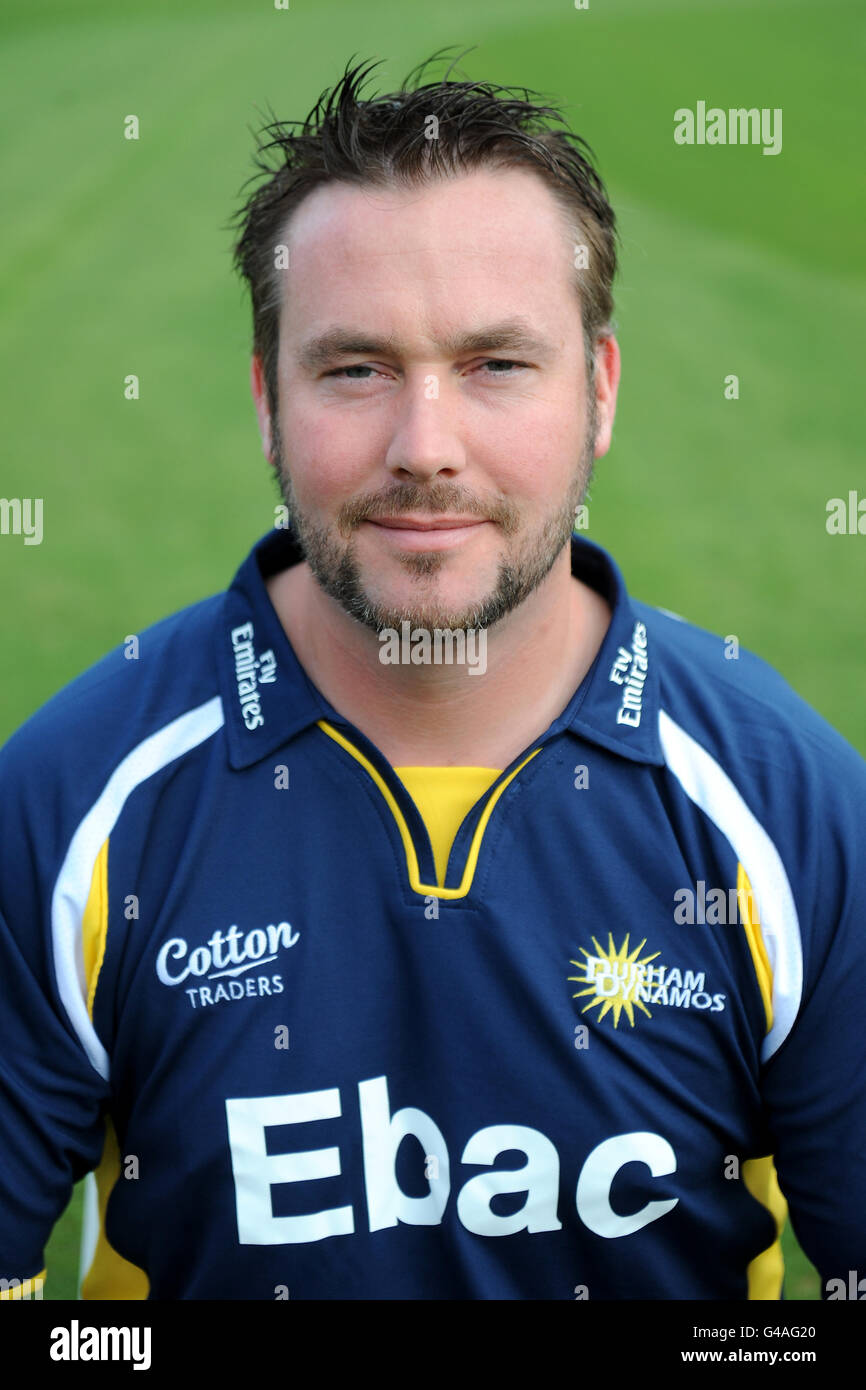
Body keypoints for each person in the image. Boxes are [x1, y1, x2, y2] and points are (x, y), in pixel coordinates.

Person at [1, 54, 864, 1302]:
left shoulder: (792, 813)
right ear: (264, 401)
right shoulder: (68, 804)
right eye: (353, 369)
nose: (424, 449)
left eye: (494, 365)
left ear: (598, 392)